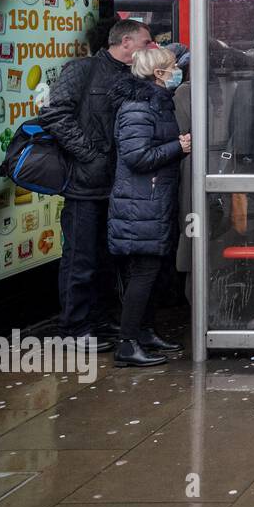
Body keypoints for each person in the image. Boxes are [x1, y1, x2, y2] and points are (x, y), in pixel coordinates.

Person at [38, 19, 154, 349]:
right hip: (85, 184)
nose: (150, 48)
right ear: (127, 42)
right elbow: (54, 114)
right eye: (146, 42)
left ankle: (99, 320)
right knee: (81, 258)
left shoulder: (133, 76)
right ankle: (74, 328)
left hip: (117, 184)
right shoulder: (83, 70)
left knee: (106, 258)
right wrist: (89, 155)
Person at [106, 46, 188, 366]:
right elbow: (137, 157)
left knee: (152, 272)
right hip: (140, 205)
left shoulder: (156, 103)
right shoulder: (138, 108)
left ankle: (144, 331)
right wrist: (178, 147)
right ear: (158, 74)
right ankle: (127, 344)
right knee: (144, 272)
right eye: (172, 66)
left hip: (152, 201)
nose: (176, 70)